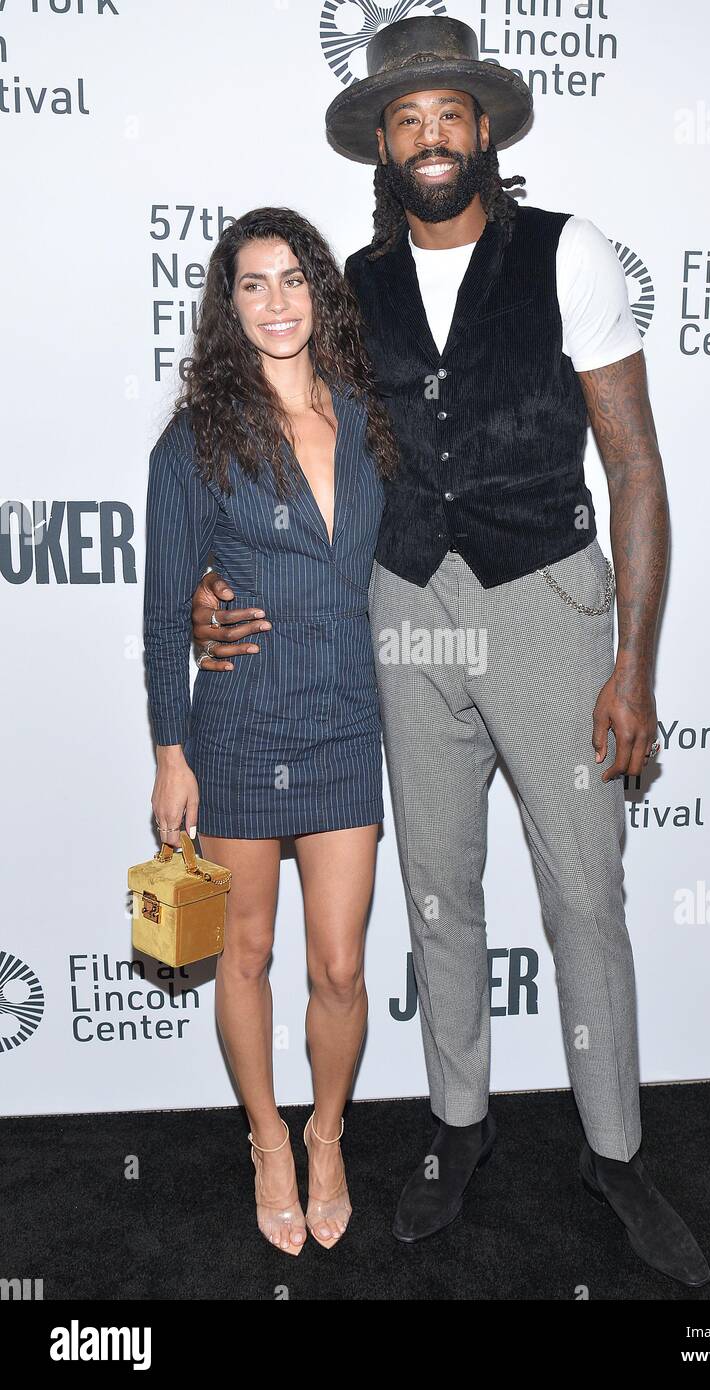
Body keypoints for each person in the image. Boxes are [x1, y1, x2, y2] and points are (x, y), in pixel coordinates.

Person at [185, 17, 710, 1287]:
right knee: (435, 892)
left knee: (583, 893)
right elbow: (269, 453)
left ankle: (614, 1149)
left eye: (448, 117)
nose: (428, 138)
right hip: (407, 608)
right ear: (380, 142)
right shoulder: (346, 289)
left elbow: (634, 465)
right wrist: (209, 583)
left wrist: (632, 666)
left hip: (544, 598)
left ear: (484, 133)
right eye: (404, 120)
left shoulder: (566, 255)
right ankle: (456, 1125)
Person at [142, 206, 398, 1256]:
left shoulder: (370, 418)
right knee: (241, 953)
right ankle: (264, 1139)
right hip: (240, 726)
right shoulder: (194, 440)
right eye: (252, 283)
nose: (276, 301)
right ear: (227, 304)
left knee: (337, 966)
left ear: (320, 293)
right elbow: (167, 611)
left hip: (345, 722)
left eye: (293, 279)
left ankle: (326, 1133)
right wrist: (170, 753)